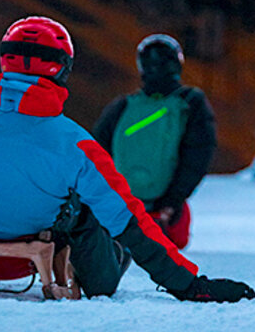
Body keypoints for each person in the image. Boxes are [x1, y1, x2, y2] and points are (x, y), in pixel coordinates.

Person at [0, 17, 255, 302]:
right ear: (62, 69)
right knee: (87, 200)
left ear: (5, 59)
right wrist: (189, 284)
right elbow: (129, 221)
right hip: (21, 261)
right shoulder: (74, 141)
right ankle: (106, 265)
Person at [92, 34, 215, 249]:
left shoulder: (121, 107)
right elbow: (198, 156)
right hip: (165, 213)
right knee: (177, 241)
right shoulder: (190, 102)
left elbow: (95, 155)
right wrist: (172, 202)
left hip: (121, 208)